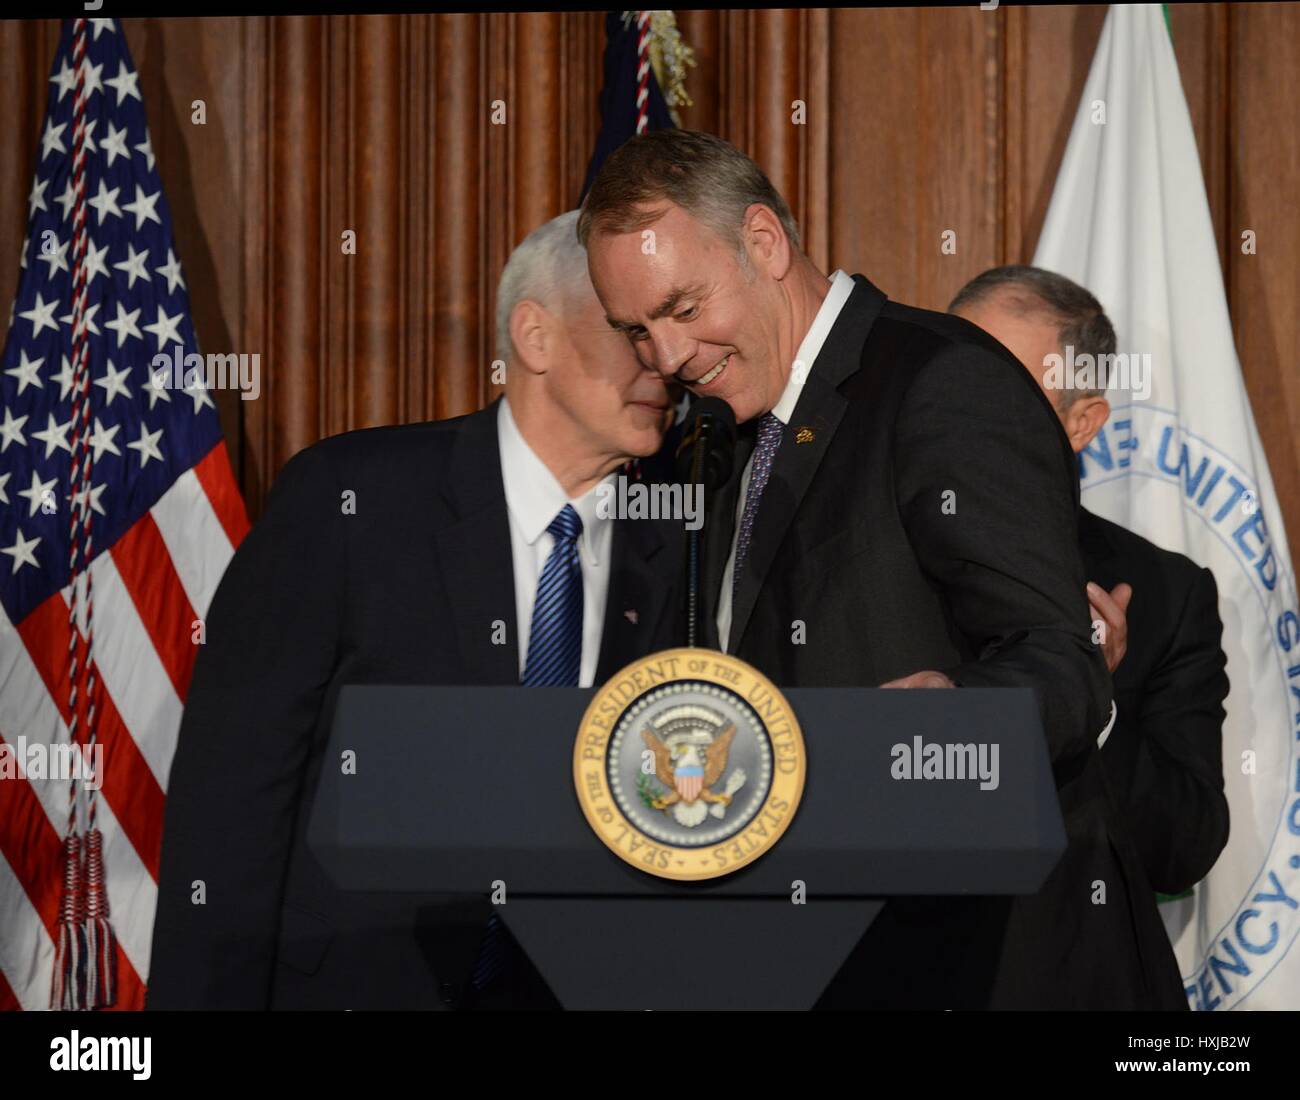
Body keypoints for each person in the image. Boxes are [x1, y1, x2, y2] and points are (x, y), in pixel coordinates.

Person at [578, 128, 1178, 1009]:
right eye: (636, 330)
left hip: (987, 958)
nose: (666, 359)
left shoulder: (942, 383)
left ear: (765, 243)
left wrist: (951, 719)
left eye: (682, 307)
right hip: (808, 953)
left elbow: (1060, 661)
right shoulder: (710, 438)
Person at [147, 210, 680, 1009]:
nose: (663, 362)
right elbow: (232, 802)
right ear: (534, 337)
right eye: (628, 331)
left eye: (666, 330)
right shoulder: (351, 501)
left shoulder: (684, 540)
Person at [950, 264, 1230, 900]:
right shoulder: (848, 537)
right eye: (948, 379)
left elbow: (1183, 846)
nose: (962, 413)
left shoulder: (1165, 594)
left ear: (1082, 423)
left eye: (1003, 392)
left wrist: (1090, 703)